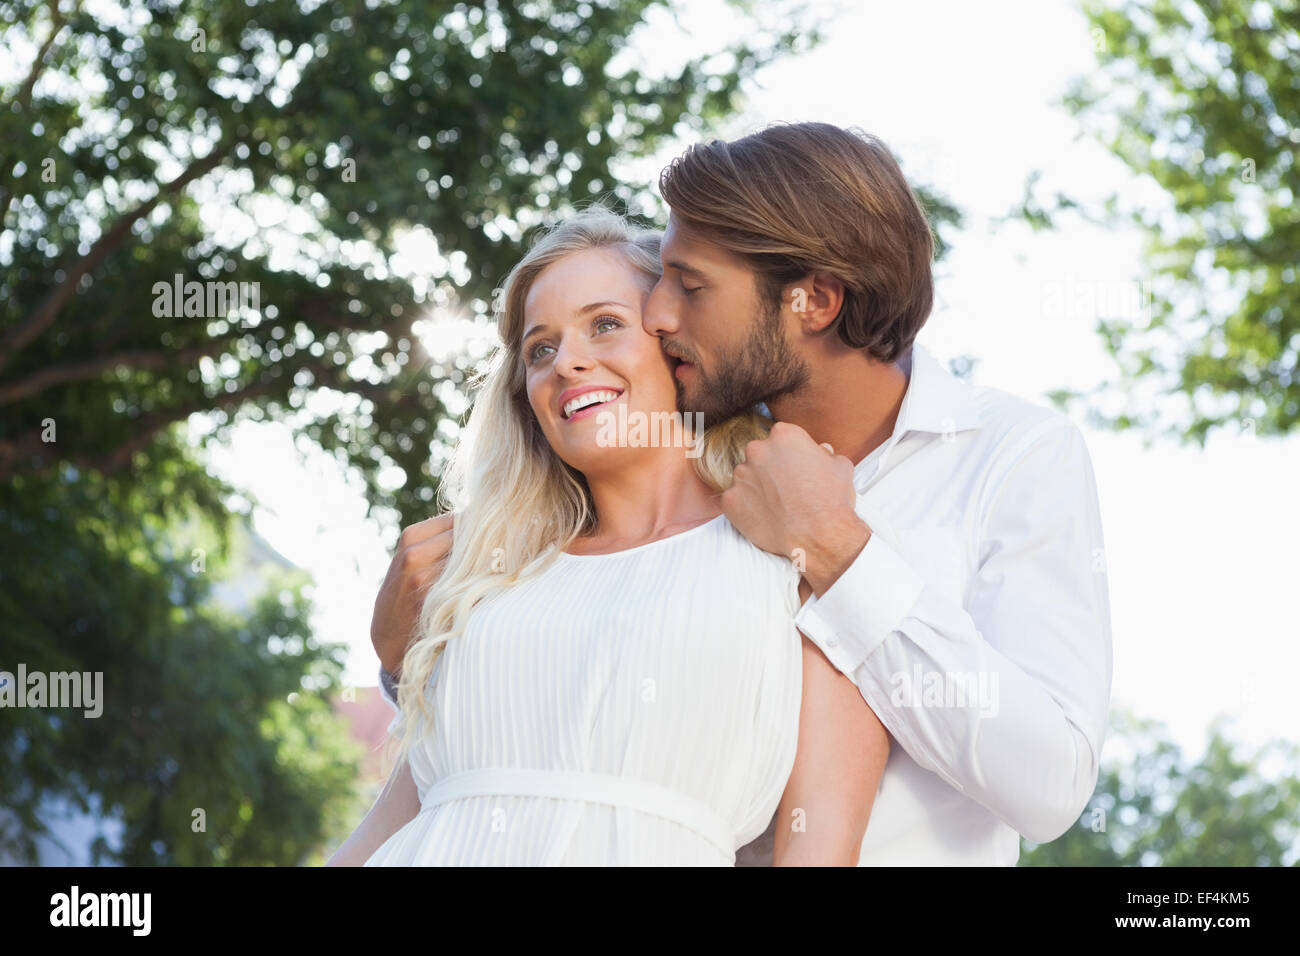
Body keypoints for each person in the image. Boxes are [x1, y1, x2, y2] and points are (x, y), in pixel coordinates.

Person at [369, 121, 1113, 866]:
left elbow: (1049, 788)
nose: (661, 315)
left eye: (690, 287)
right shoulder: (693, 451)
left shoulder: (1013, 456)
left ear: (812, 302)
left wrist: (840, 556)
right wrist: (404, 661)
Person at [328, 205, 888, 866]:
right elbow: (398, 821)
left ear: (677, 346)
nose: (568, 363)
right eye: (541, 348)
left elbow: (819, 840)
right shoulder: (489, 578)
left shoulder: (793, 556)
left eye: (605, 325)